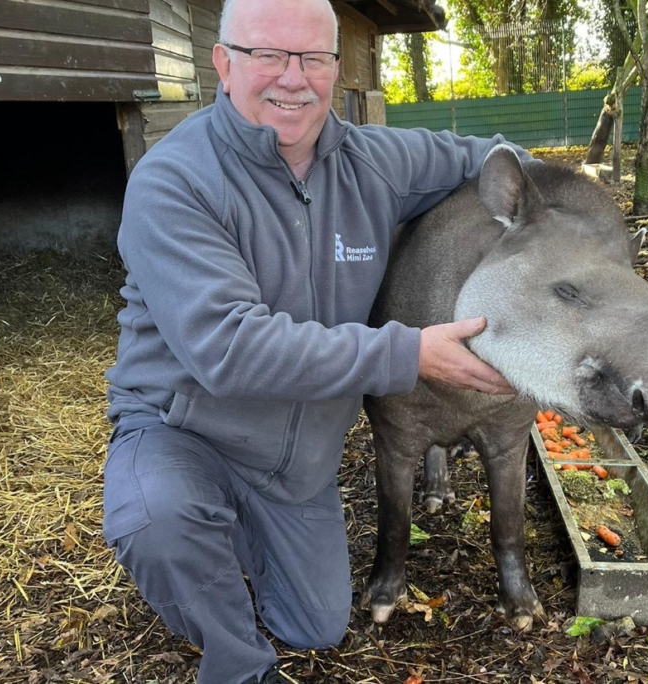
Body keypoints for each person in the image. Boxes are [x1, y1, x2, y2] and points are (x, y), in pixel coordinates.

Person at [102, 0, 525, 682]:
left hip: (297, 464)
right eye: (268, 55)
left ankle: (239, 528)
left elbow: (500, 162)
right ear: (223, 62)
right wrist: (408, 353)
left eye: (312, 58)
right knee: (158, 521)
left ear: (336, 66)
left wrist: (567, 211)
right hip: (188, 429)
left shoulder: (377, 160)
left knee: (318, 626)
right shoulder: (174, 181)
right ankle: (238, 661)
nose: (292, 78)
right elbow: (230, 349)